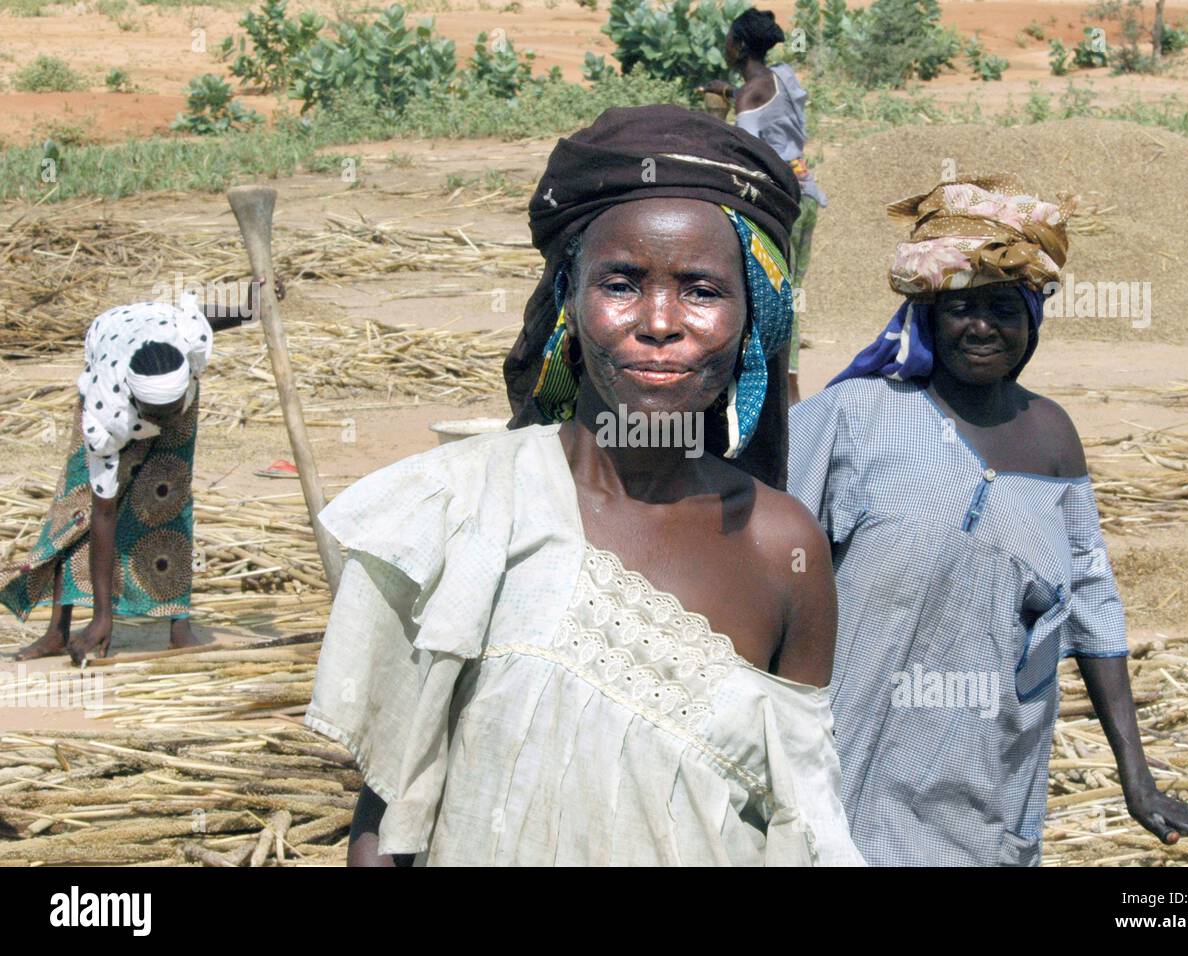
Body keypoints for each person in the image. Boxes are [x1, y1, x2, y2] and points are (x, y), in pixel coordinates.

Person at [305, 105, 863, 866]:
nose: (660, 322)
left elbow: (807, 826)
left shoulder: (783, 550)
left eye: (701, 290)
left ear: (752, 317)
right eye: (623, 284)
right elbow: (390, 811)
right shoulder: (468, 506)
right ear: (570, 298)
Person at [787, 176, 1188, 865]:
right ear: (926, 318)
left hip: (985, 766)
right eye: (959, 307)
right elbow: (769, 554)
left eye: (1002, 307)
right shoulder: (855, 415)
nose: (980, 327)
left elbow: (1092, 599)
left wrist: (1138, 781)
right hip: (851, 751)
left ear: (1032, 318)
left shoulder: (1053, 436)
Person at [1, 278, 283, 663]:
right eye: (156, 417)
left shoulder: (186, 346)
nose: (163, 425)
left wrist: (255, 301)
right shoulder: (105, 413)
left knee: (168, 499)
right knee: (78, 506)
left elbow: (203, 319)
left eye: (171, 413)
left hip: (161, 349)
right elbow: (103, 511)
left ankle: (178, 627)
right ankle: (58, 631)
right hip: (111, 345)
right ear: (135, 403)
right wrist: (102, 619)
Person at [700, 8, 828, 404]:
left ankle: (781, 395)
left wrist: (717, 117)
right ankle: (785, 388)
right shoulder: (782, 77)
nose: (725, 46)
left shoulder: (749, 94)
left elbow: (746, 154)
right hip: (805, 193)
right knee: (791, 290)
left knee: (766, 289)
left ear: (737, 45)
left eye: (728, 40)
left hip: (778, 200)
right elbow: (776, 123)